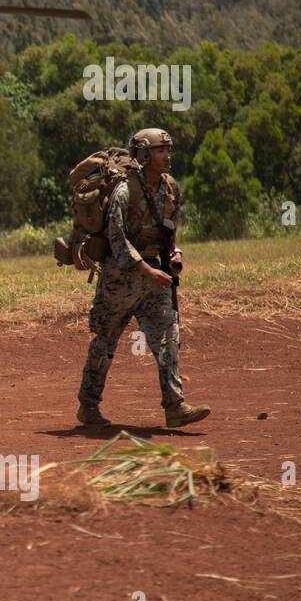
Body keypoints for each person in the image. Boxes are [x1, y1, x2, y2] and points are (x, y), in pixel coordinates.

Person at [76, 128, 210, 428]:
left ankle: (175, 407)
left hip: (156, 279)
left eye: (168, 149)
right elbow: (116, 239)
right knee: (104, 342)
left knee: (168, 338)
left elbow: (170, 230)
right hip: (120, 279)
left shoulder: (171, 188)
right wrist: (146, 270)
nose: (168, 155)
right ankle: (88, 406)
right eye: (161, 150)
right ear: (144, 155)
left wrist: (174, 254)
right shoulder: (126, 191)